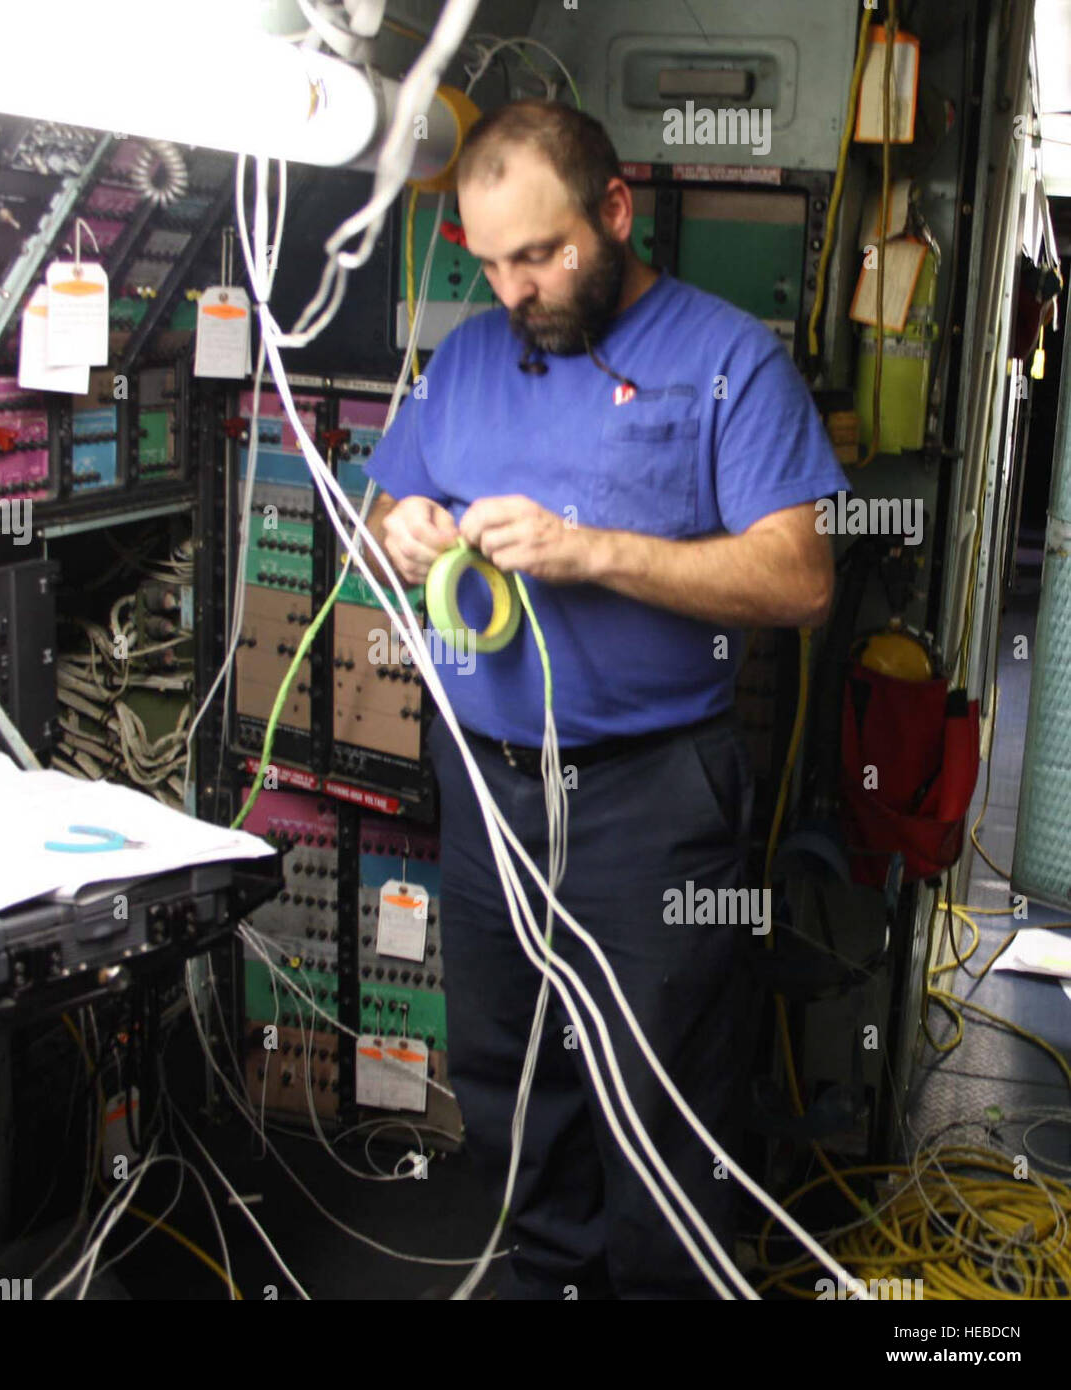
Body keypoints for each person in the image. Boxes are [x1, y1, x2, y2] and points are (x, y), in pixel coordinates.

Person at [361, 99, 847, 1299]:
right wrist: (402, 532)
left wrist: (590, 550)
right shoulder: (466, 358)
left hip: (650, 801)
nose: (515, 288)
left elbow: (798, 581)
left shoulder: (730, 359)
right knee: (508, 1079)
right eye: (488, 262)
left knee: (662, 1092)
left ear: (615, 211)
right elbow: (373, 528)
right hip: (485, 794)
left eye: (540, 254)